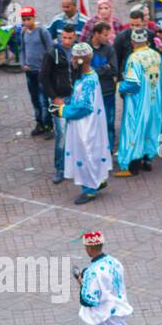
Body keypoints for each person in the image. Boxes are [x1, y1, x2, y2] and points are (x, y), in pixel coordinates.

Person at [54, 42, 111, 205]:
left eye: (74, 57)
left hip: (86, 125)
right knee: (91, 152)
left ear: (81, 60)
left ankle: (90, 188)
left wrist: (62, 111)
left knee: (87, 153)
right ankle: (98, 179)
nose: (72, 60)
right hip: (86, 122)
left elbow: (84, 107)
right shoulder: (86, 77)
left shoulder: (88, 81)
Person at [115, 30, 162, 176]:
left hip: (137, 104)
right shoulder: (156, 55)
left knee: (133, 131)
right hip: (154, 101)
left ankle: (131, 166)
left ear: (132, 42)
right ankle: (147, 159)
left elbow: (132, 84)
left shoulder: (134, 58)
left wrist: (119, 86)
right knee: (150, 129)